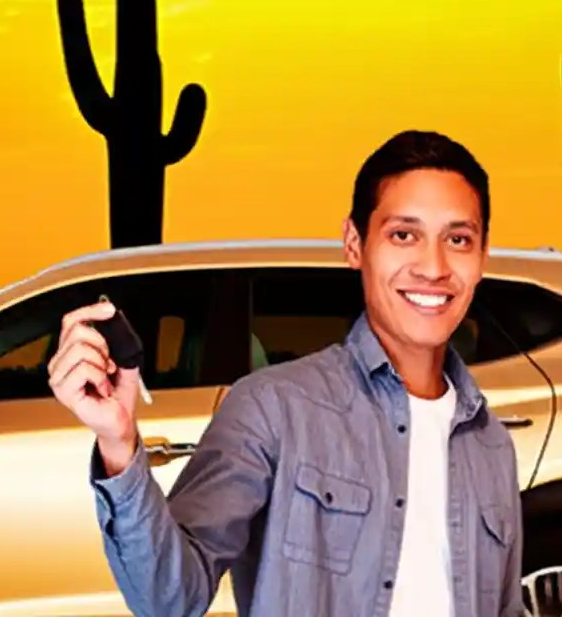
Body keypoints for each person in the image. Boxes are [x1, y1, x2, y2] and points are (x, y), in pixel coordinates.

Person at [46, 130, 524, 617]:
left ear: (482, 257)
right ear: (354, 244)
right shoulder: (274, 408)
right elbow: (168, 598)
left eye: (458, 239)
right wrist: (119, 444)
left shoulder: (491, 446)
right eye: (404, 235)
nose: (434, 266)